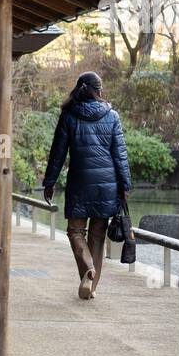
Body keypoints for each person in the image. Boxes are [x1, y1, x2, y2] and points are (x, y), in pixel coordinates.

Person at [41, 71, 132, 300]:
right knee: (98, 236)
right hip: (107, 185)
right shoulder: (112, 116)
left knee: (75, 231)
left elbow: (57, 154)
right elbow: (120, 155)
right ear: (98, 90)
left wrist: (50, 182)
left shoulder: (68, 115)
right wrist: (125, 185)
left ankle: (88, 270)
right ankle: (91, 286)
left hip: (80, 183)